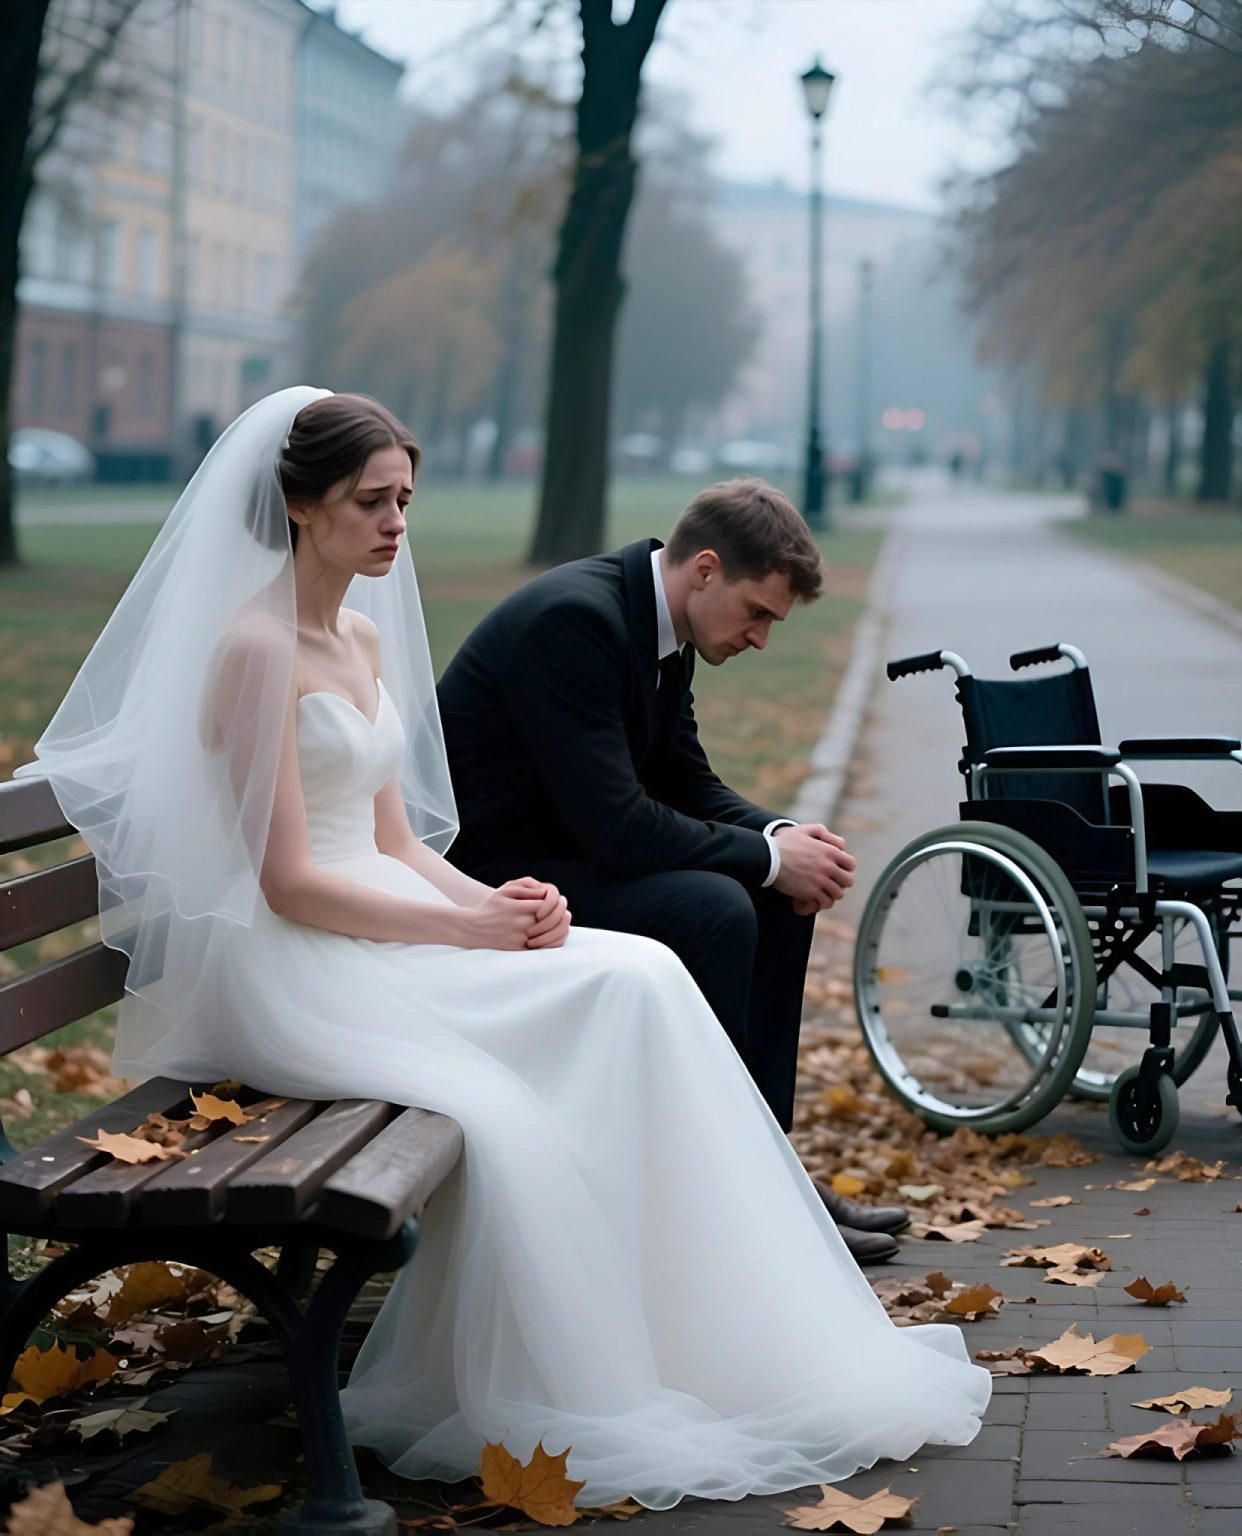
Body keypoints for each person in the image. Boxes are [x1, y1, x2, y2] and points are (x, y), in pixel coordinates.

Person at [15, 388, 990, 1511]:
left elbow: (395, 842)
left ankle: (698, 1300)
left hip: (388, 914)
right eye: (370, 502)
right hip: (293, 961)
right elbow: (286, 882)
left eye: (404, 501)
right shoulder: (251, 649)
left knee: (641, 973)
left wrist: (497, 902)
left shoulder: (360, 635)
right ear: (300, 506)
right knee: (600, 1011)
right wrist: (466, 926)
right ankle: (603, 1345)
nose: (395, 525)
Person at [437, 482, 907, 1262]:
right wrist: (767, 859)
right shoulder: (574, 621)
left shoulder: (663, 625)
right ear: (706, 569)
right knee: (717, 906)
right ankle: (717, 1189)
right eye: (757, 613)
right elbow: (619, 827)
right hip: (495, 882)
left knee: (779, 896)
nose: (761, 639)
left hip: (565, 856)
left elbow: (686, 780)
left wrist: (781, 836)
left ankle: (763, 1167)